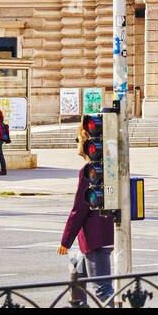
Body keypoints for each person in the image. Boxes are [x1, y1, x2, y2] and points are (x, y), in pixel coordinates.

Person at [58, 121, 115, 303]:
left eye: (77, 139)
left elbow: (79, 209)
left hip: (95, 238)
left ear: (86, 143)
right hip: (104, 235)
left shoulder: (89, 170)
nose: (77, 143)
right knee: (78, 274)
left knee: (102, 290)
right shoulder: (108, 166)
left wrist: (65, 241)